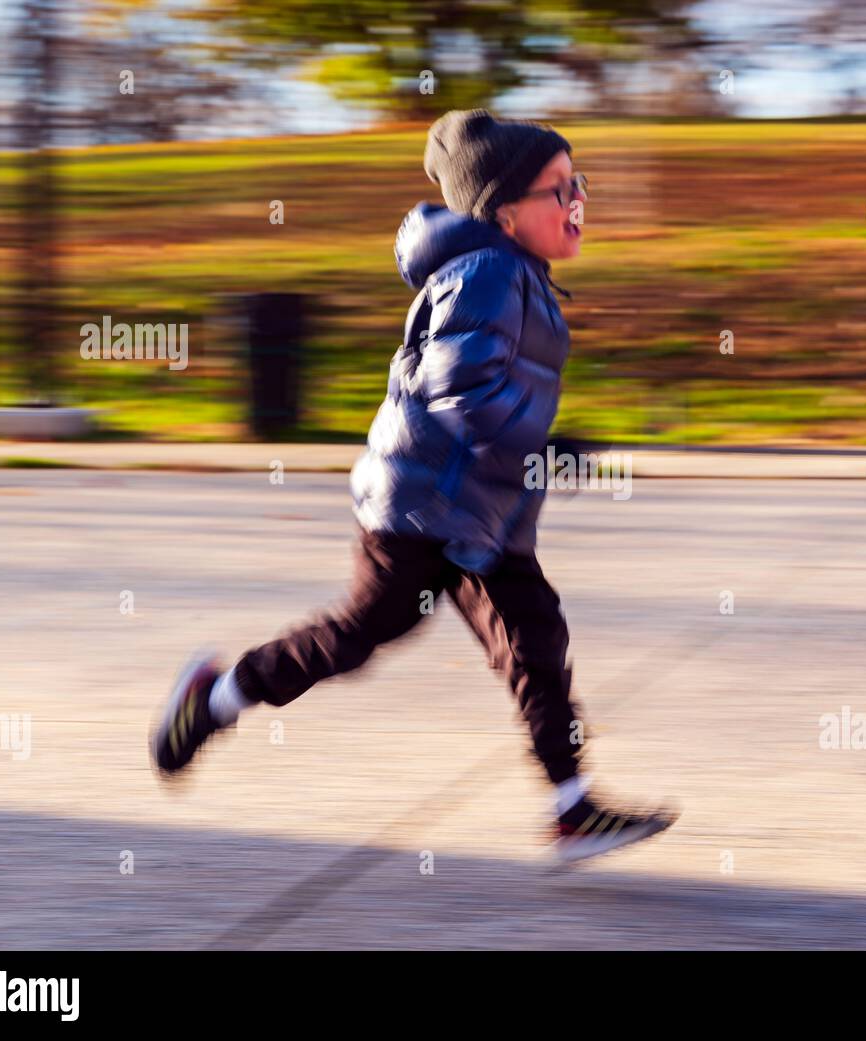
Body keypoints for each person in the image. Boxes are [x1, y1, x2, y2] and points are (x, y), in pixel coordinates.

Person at [149, 109, 677, 863]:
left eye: (578, 184)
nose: (577, 202)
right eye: (558, 189)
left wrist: (534, 450)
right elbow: (458, 389)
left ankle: (571, 806)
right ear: (503, 210)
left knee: (534, 635)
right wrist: (544, 441)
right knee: (363, 634)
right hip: (419, 507)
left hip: (483, 517)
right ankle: (215, 696)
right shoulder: (487, 271)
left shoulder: (516, 274)